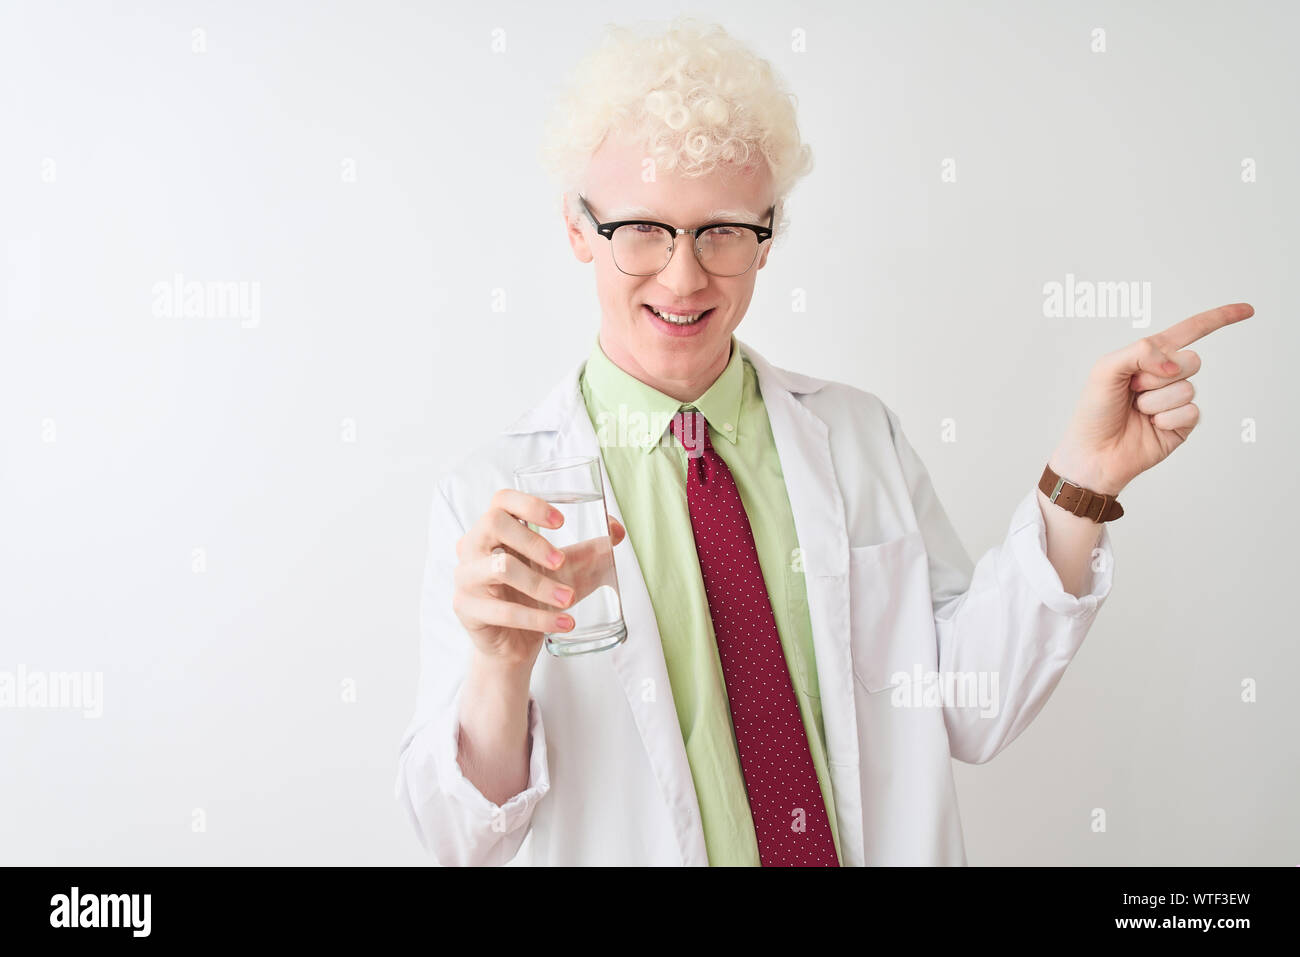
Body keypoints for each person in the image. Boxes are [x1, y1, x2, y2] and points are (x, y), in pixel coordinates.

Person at [394, 17, 1250, 866]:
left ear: (768, 236)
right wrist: (500, 667)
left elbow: (963, 705)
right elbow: (463, 838)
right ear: (579, 229)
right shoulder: (490, 496)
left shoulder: (856, 434)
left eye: (723, 229)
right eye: (642, 230)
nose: (685, 275)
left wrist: (1082, 481)